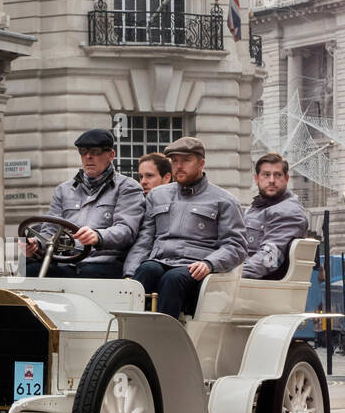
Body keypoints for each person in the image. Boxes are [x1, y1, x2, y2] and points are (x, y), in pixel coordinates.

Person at [123, 135, 247, 317]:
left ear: (201, 164)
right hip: (160, 260)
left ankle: (165, 337)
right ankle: (129, 334)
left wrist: (209, 263)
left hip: (194, 267)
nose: (179, 166)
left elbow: (236, 246)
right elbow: (145, 239)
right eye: (174, 161)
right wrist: (129, 273)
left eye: (186, 160)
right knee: (145, 271)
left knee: (173, 279)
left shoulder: (225, 201)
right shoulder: (157, 195)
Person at [23, 128, 146, 278]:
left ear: (111, 155)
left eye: (95, 151)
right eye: (83, 151)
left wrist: (98, 236)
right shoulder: (63, 190)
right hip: (67, 263)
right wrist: (36, 243)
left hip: (104, 263)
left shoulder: (127, 188)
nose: (88, 157)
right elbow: (49, 231)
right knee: (29, 271)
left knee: (89, 273)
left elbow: (126, 230)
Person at [242, 152, 310, 280]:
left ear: (286, 179)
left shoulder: (289, 211)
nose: (272, 180)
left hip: (258, 286)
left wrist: (231, 274)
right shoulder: (255, 207)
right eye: (266, 175)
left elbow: (269, 258)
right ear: (256, 179)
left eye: (277, 175)